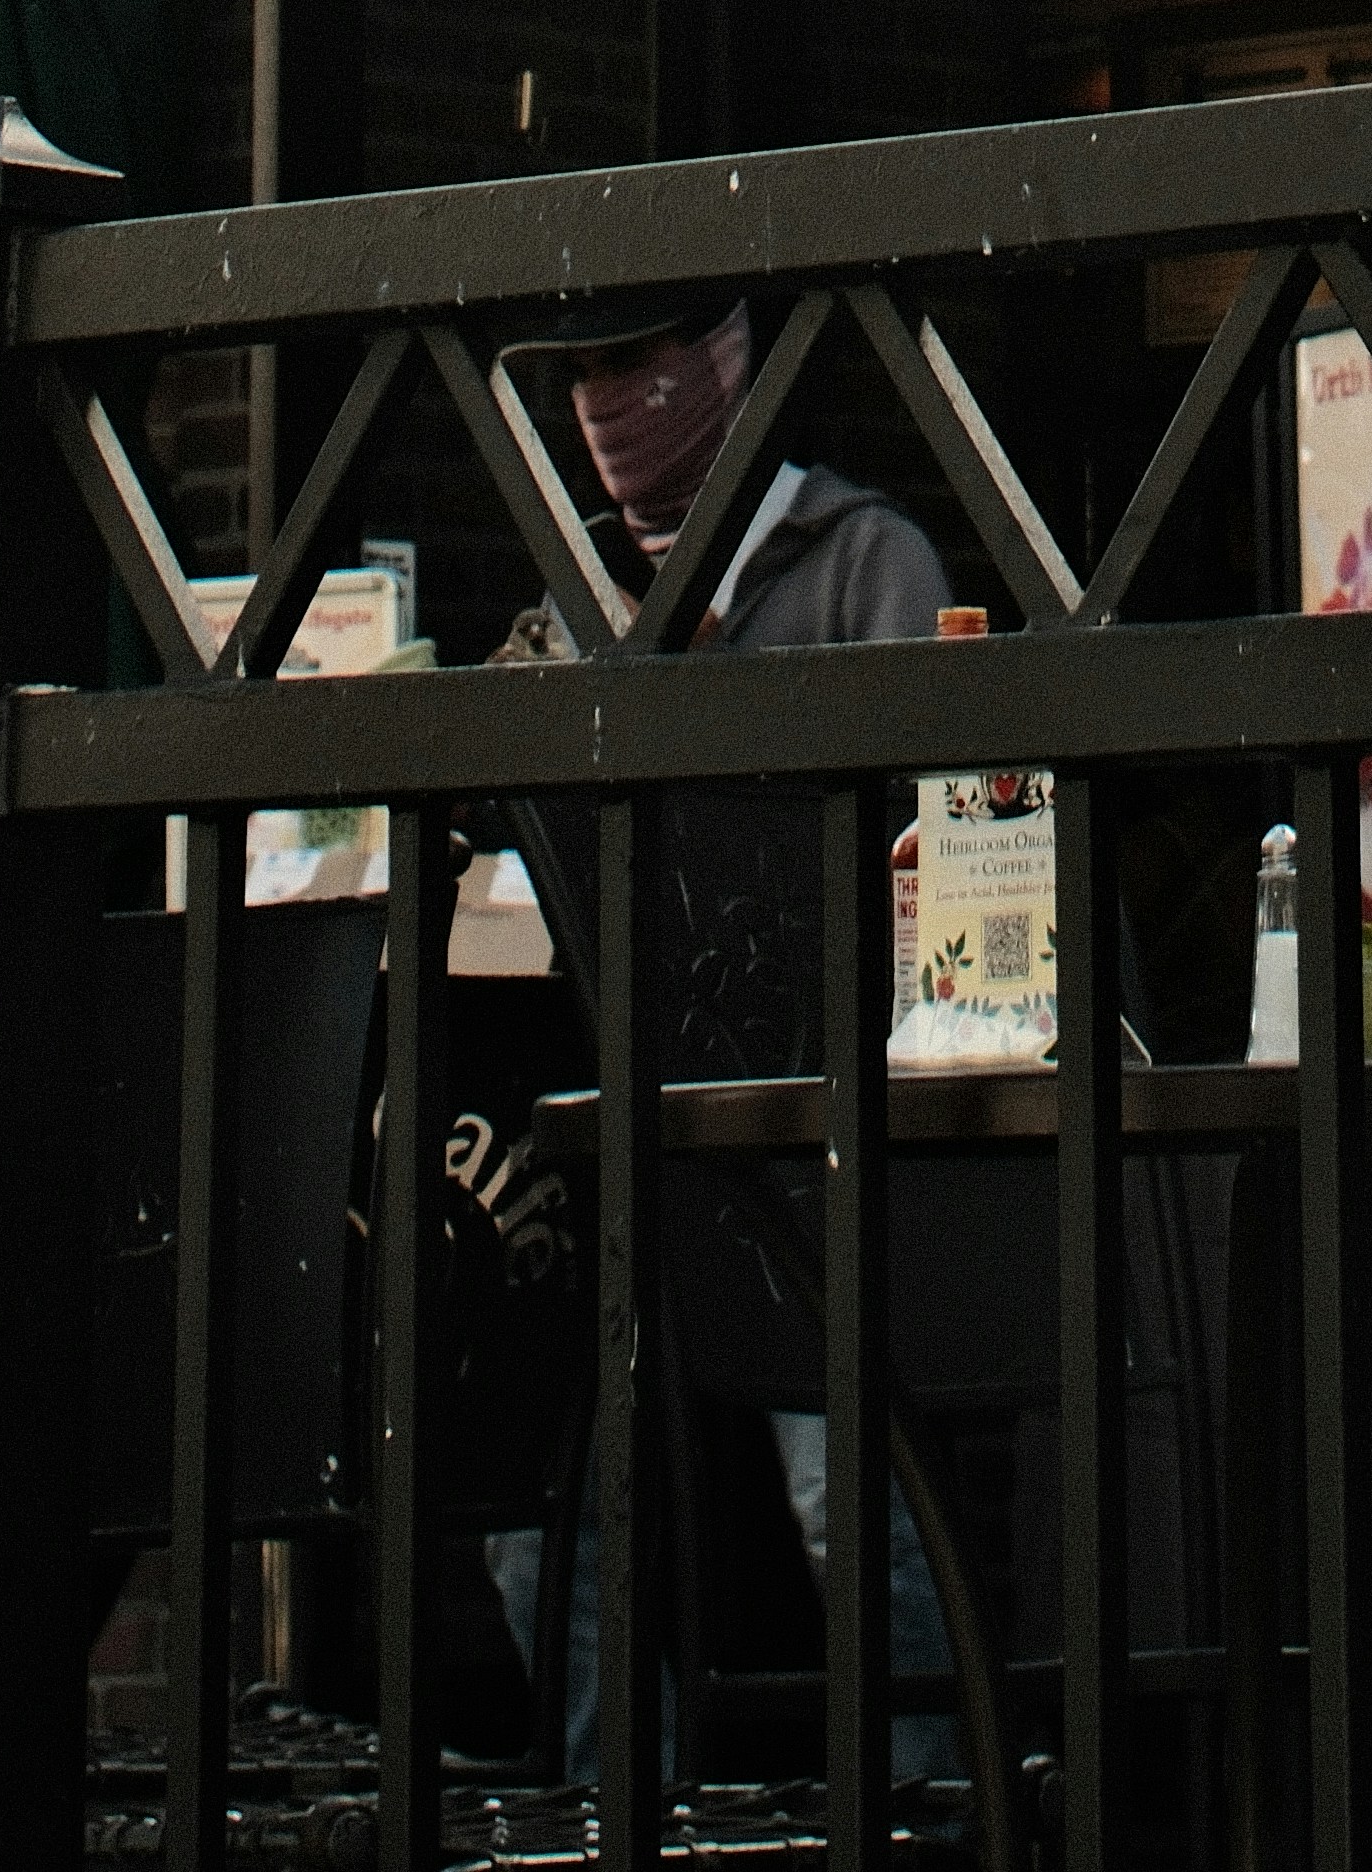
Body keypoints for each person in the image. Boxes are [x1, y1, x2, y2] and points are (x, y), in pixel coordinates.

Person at [487, 308, 960, 1773]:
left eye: (635, 367)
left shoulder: (862, 560)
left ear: (729, 361)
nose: (605, 406)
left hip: (801, 1132)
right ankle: (608, 1813)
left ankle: (932, 1814)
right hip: (607, 1130)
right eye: (578, 379)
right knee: (530, 1520)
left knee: (845, 1503)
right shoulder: (565, 595)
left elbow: (939, 845)